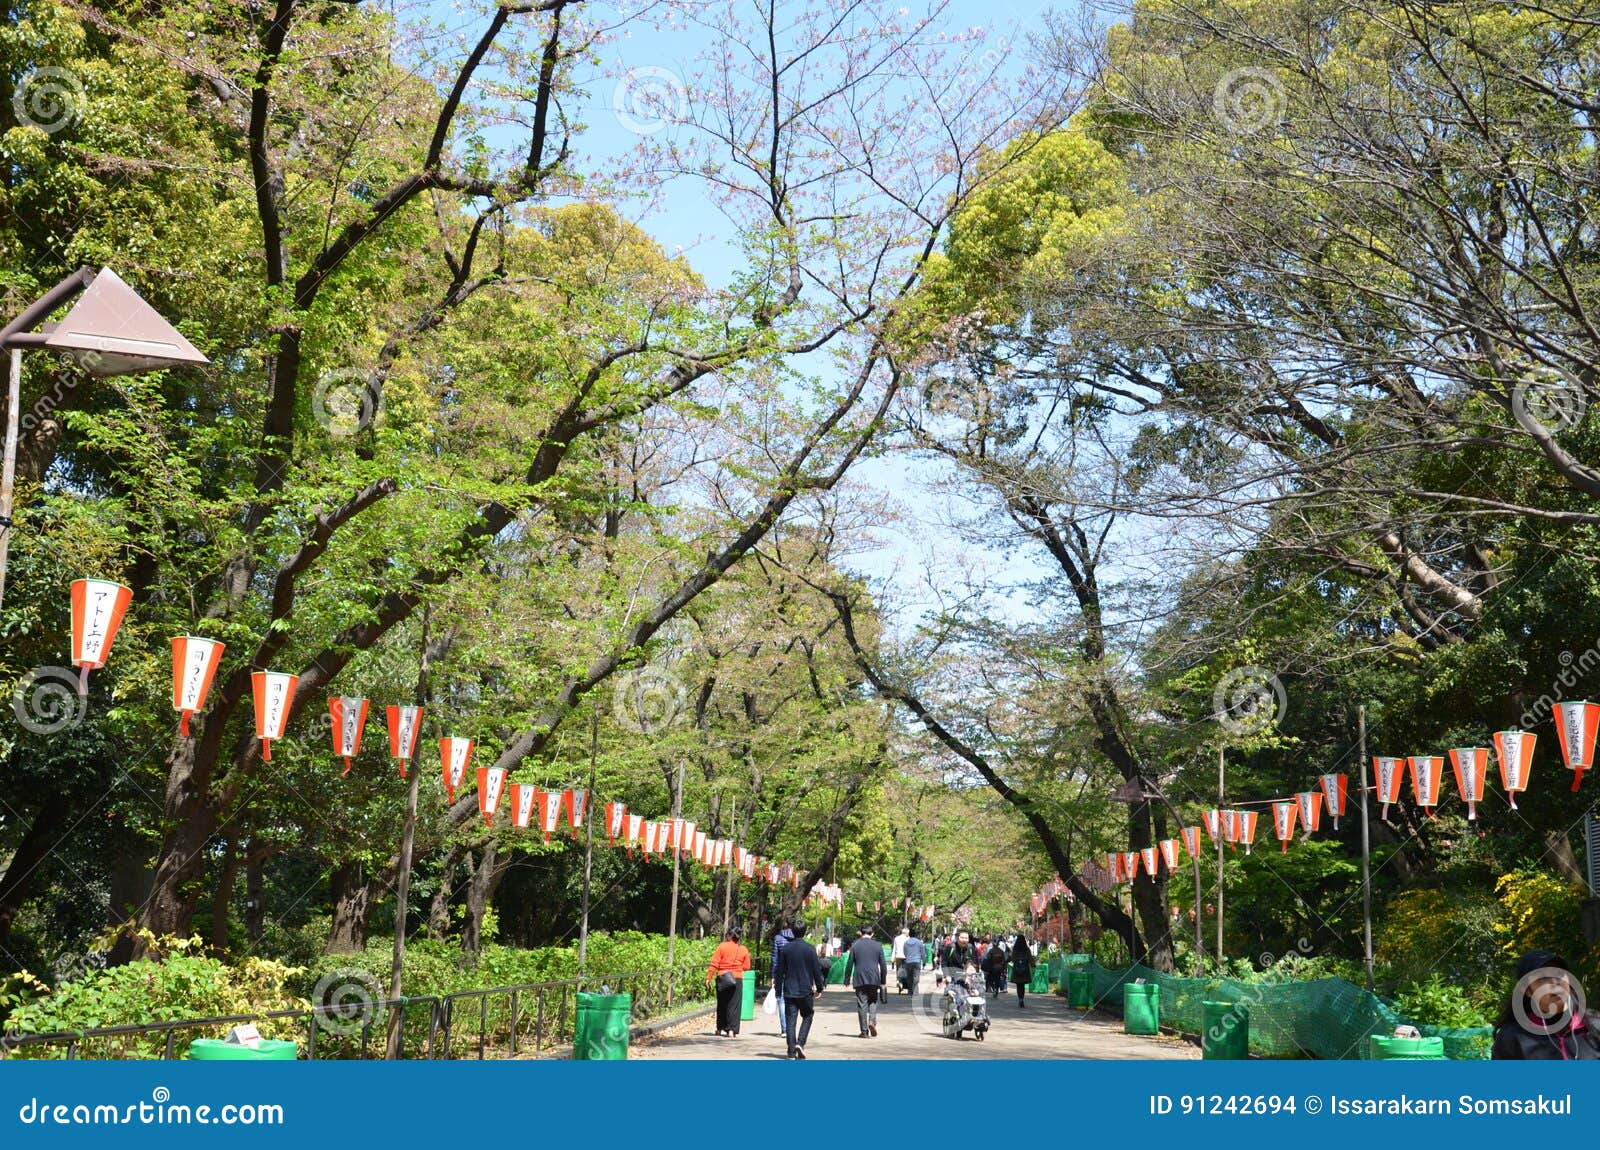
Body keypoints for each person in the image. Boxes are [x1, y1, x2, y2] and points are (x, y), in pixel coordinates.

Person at [1491, 950, 1600, 1059]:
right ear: (1528, 990)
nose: (1555, 982)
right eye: (1543, 978)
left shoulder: (1594, 1024)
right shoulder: (1512, 1037)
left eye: (1559, 974)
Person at [776, 918, 827, 1059]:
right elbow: (816, 970)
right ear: (805, 932)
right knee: (808, 1015)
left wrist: (777, 991)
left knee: (790, 1021)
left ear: (792, 931)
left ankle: (791, 1052)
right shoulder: (810, 949)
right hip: (805, 990)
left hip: (789, 990)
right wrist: (820, 988)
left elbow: (780, 971)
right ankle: (800, 1042)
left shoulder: (786, 949)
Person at [843, 925, 888, 1037]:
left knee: (862, 1004)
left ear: (860, 933)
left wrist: (847, 979)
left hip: (859, 978)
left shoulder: (855, 945)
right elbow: (883, 965)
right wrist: (883, 980)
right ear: (872, 934)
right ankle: (872, 1020)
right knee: (873, 1000)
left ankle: (864, 1031)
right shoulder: (878, 945)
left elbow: (849, 963)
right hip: (874, 978)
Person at [707, 926, 752, 1037]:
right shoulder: (744, 949)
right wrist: (737, 968)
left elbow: (714, 963)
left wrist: (708, 977)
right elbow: (747, 966)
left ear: (729, 936)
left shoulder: (722, 946)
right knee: (734, 1005)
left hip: (723, 977)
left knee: (722, 1004)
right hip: (737, 978)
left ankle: (719, 1029)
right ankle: (731, 1030)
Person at [770, 920, 796, 1038]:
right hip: (794, 973)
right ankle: (792, 1028)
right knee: (793, 1000)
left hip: (781, 973)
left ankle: (785, 1029)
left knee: (781, 1000)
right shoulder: (797, 937)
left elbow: (774, 959)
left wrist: (773, 975)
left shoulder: (778, 939)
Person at [1011, 933, 1035, 1007]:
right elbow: (1030, 958)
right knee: (1023, 985)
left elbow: (1012, 958)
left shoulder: (1015, 949)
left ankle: (1020, 999)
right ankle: (1022, 998)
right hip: (1025, 969)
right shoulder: (1026, 949)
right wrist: (1032, 965)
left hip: (1017, 969)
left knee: (1019, 985)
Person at [902, 928, 925, 995]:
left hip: (908, 962)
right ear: (915, 935)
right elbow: (922, 953)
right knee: (916, 977)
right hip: (917, 962)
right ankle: (915, 992)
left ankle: (910, 991)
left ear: (909, 935)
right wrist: (924, 960)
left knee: (909, 977)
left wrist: (908, 957)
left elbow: (904, 952)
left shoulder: (906, 943)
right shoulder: (919, 942)